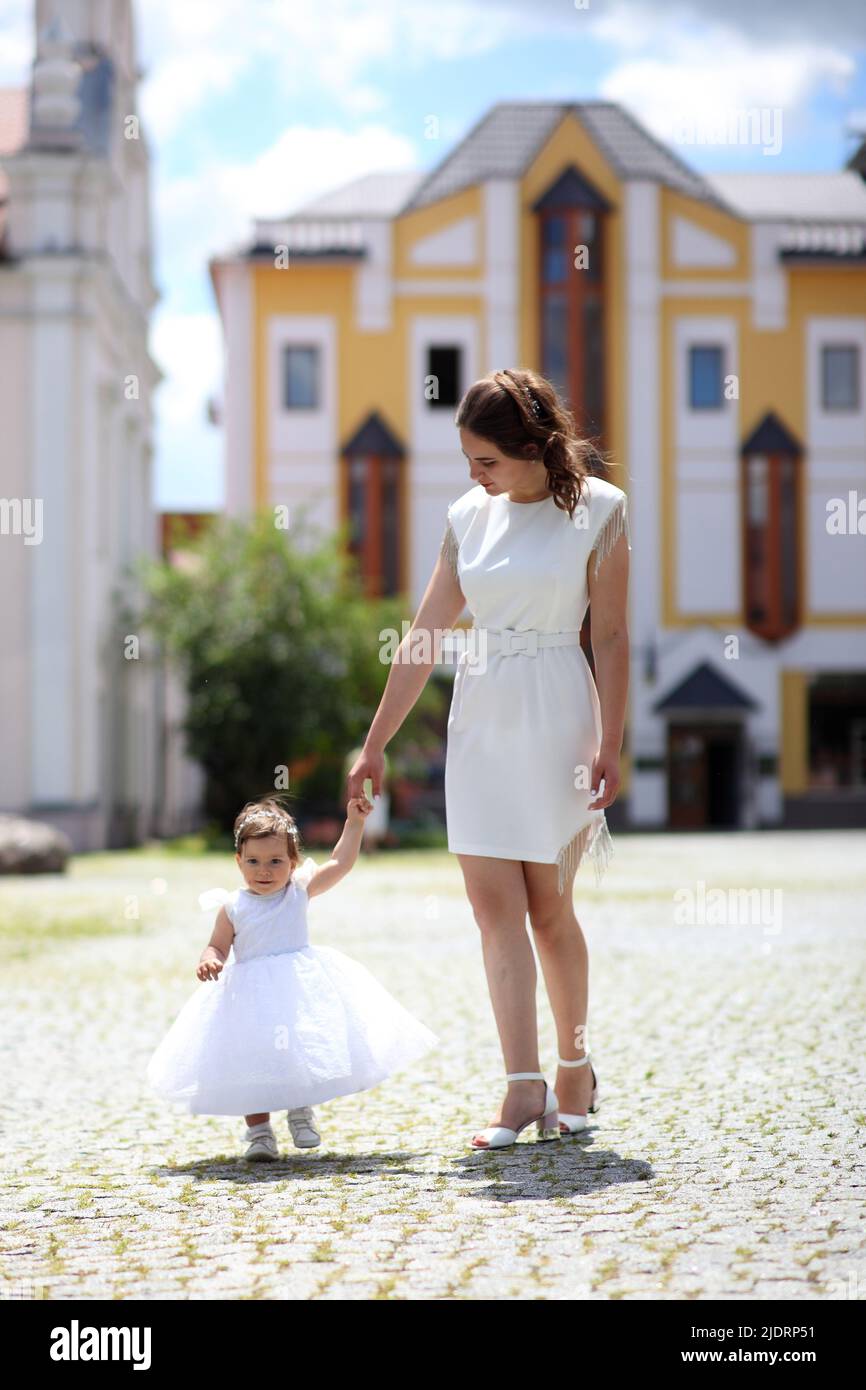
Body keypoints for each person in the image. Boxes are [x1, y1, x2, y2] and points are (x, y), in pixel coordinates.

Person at [347, 368, 630, 1150]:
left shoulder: (602, 510)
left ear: (532, 448)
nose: (475, 475)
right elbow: (423, 636)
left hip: (560, 718)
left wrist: (611, 743)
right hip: (480, 719)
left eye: (487, 460)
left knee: (550, 911)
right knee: (492, 912)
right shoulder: (466, 517)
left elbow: (610, 636)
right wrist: (374, 744)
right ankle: (522, 1086)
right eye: (468, 459)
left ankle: (574, 1068)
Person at [145, 795, 439, 1160]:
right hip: (250, 999)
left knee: (300, 1049)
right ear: (238, 861)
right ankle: (259, 1132)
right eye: (253, 861)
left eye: (275, 861)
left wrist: (355, 822)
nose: (264, 871)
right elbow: (217, 946)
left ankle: (300, 1112)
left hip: (297, 991)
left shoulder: (297, 892)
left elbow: (340, 863)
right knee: (253, 1062)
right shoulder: (233, 907)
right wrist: (210, 960)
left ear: (293, 863)